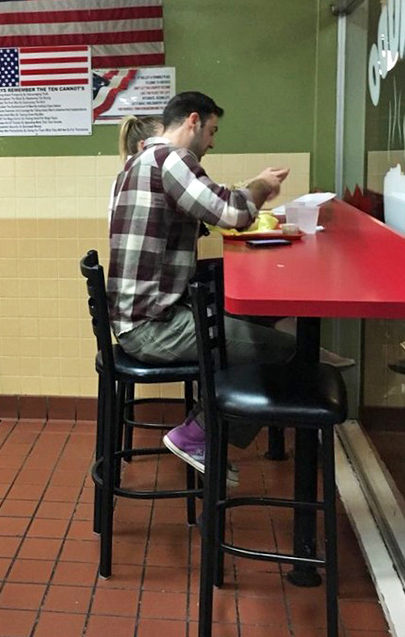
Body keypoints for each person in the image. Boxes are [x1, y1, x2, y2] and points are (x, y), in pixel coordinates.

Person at [107, 90, 295, 474]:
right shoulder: (172, 159)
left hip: (136, 319)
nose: (211, 141)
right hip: (152, 327)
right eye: (211, 131)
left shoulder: (136, 163)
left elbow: (202, 211)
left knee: (249, 326)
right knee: (286, 351)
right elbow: (231, 211)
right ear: (193, 121)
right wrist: (260, 185)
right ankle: (197, 434)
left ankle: (204, 424)